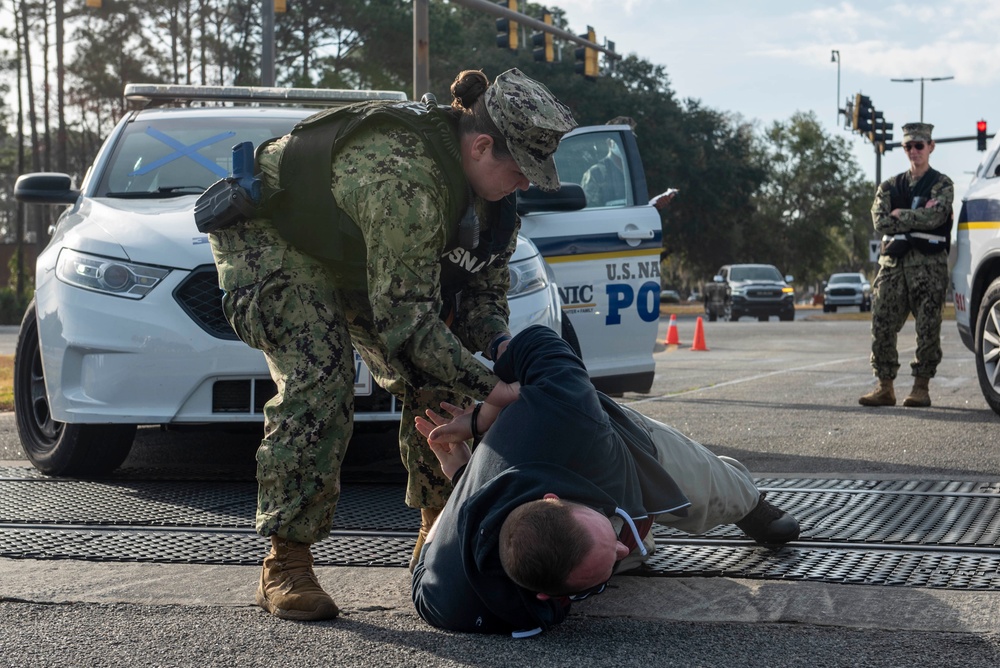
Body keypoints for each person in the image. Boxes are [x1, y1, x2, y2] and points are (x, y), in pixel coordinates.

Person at [207, 68, 576, 621]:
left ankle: (437, 529)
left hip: (351, 251)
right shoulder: (404, 181)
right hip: (276, 241)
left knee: (438, 377)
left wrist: (500, 346)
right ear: (481, 146)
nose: (526, 184)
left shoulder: (493, 199)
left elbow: (481, 285)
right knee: (320, 374)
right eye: (521, 170)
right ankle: (285, 562)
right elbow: (408, 323)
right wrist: (499, 389)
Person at [410, 325, 799, 637]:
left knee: (707, 488)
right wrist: (462, 482)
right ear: (542, 594)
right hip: (571, 501)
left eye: (609, 543)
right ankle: (630, 537)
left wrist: (484, 415)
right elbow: (429, 564)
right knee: (632, 548)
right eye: (614, 549)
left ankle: (747, 499)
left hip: (617, 449)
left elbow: (537, 339)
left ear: (553, 499)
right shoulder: (455, 598)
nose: (619, 551)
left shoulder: (570, 418)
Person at [859, 122, 954, 408]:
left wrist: (901, 214)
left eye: (919, 145)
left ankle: (920, 387)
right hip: (893, 266)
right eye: (908, 146)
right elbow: (880, 221)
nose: (914, 151)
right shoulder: (889, 186)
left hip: (929, 267)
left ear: (930, 147)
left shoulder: (942, 184)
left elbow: (937, 216)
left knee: (928, 327)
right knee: (882, 323)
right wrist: (916, 214)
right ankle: (885, 386)